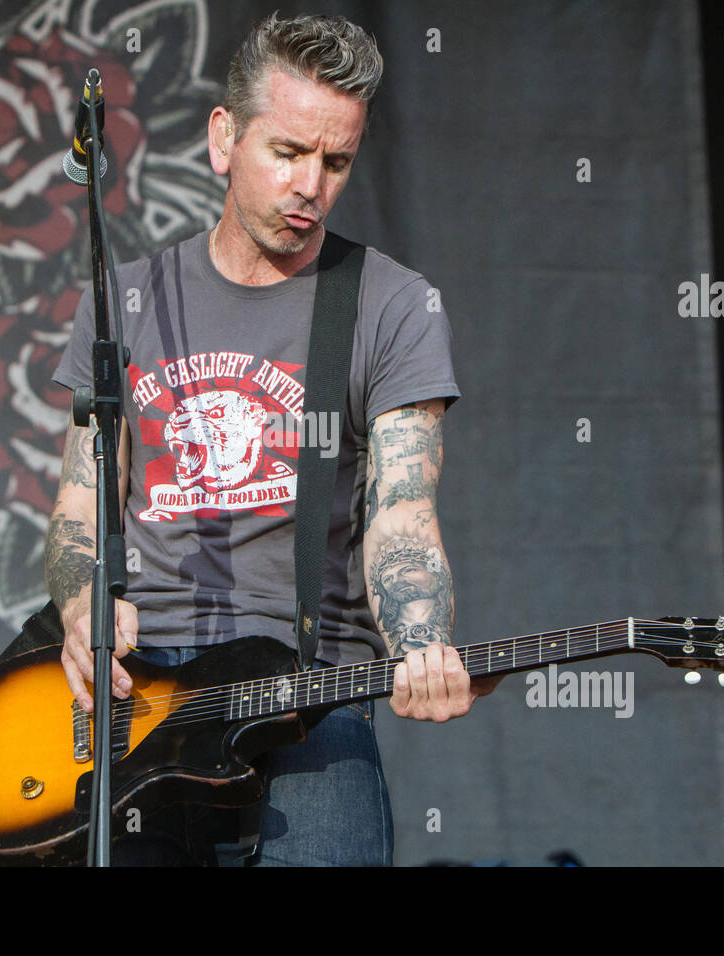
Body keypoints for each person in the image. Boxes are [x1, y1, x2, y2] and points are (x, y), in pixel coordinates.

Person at [44, 12, 499, 866]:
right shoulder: (131, 302)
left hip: (310, 683)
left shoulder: (391, 305)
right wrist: (81, 608)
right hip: (143, 688)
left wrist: (421, 640)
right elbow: (82, 501)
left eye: (335, 162)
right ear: (224, 140)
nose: (310, 187)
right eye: (287, 152)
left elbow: (402, 516)